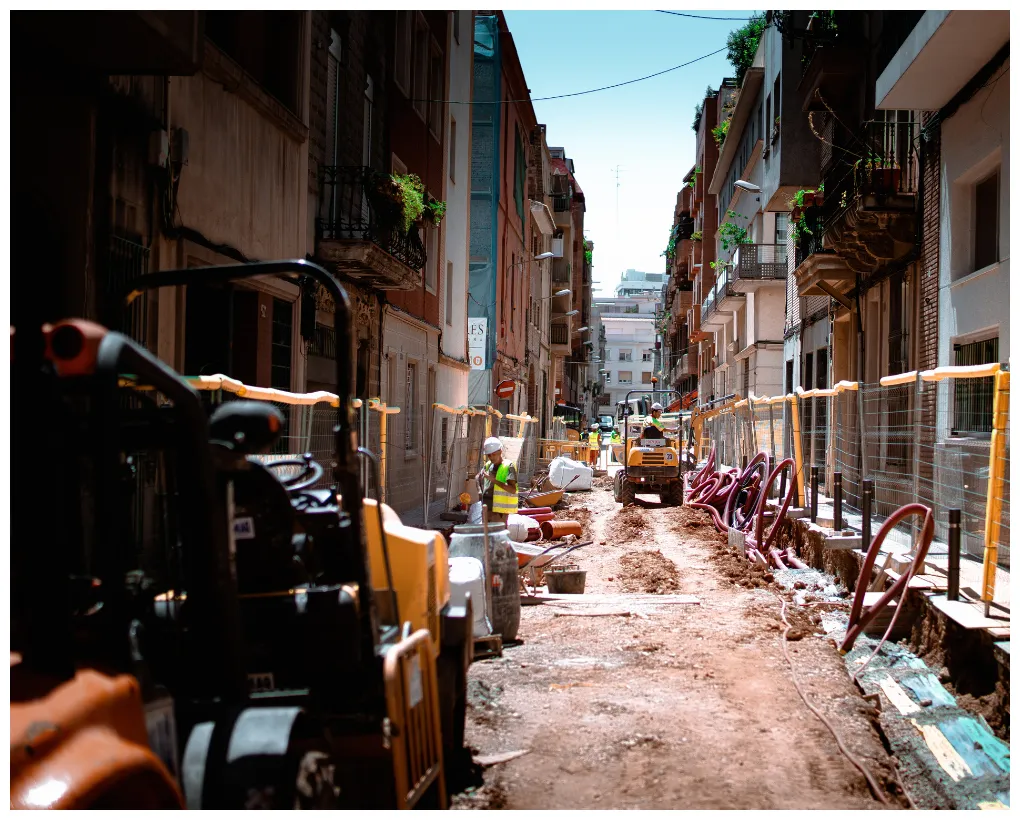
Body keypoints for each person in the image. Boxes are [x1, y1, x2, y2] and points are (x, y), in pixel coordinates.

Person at [476, 436, 518, 523]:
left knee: (497, 531)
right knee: (485, 531)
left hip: (499, 512)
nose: (491, 457)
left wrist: (493, 480)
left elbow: (512, 490)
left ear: (500, 451)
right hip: (486, 508)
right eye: (489, 455)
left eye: (494, 454)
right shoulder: (488, 465)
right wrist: (479, 491)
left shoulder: (508, 466)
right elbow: (477, 477)